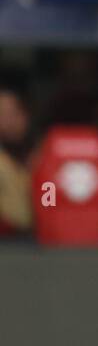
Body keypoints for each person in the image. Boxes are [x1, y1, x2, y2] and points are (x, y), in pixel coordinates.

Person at [0, 85, 33, 237]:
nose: (9, 122)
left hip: (40, 243)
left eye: (14, 114)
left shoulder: (43, 158)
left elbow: (50, 203)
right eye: (2, 115)